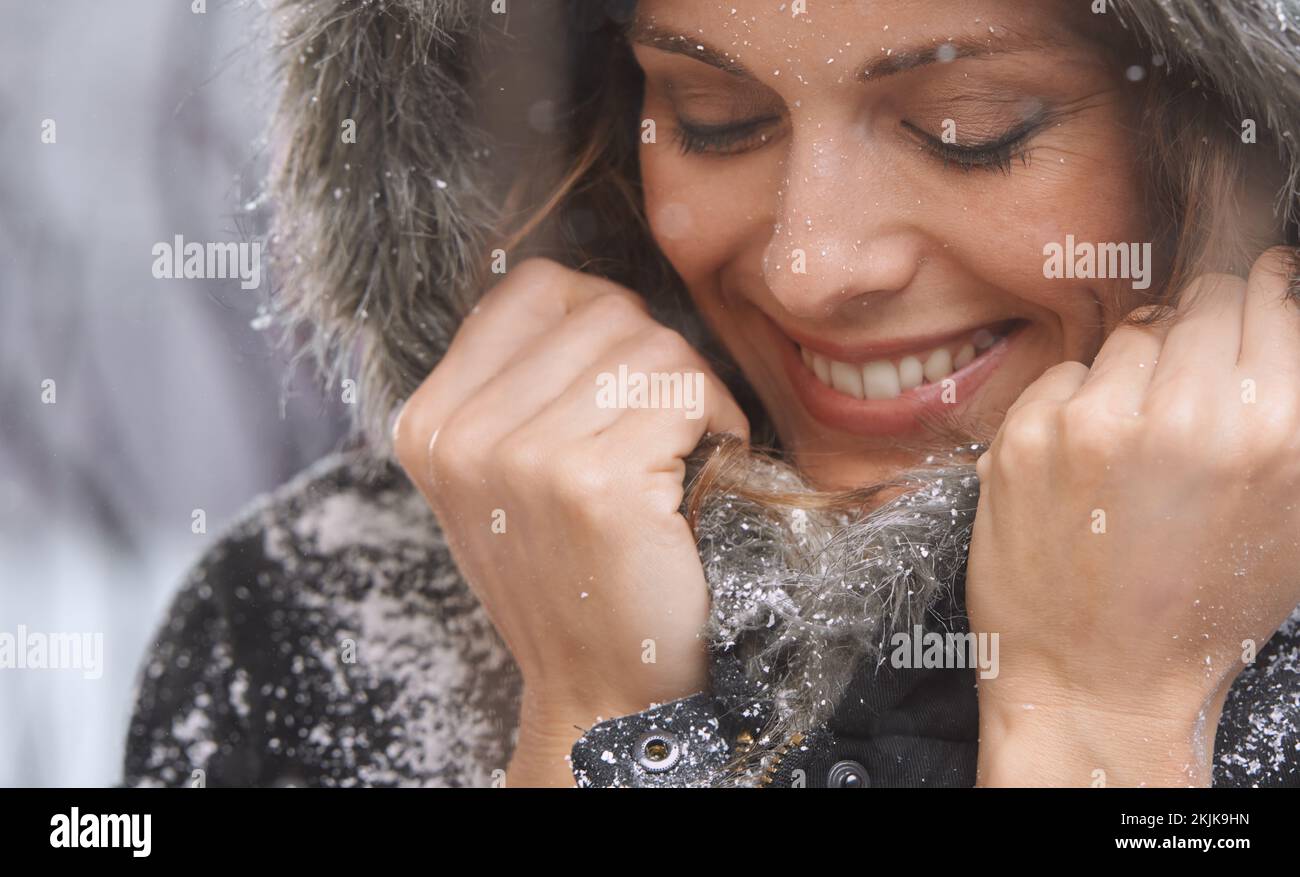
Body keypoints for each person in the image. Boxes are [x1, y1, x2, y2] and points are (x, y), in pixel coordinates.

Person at [125, 0, 1300, 788]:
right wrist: (593, 719)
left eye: (968, 131)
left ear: (1236, 122)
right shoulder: (317, 611)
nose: (809, 265)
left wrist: (1104, 724)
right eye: (715, 120)